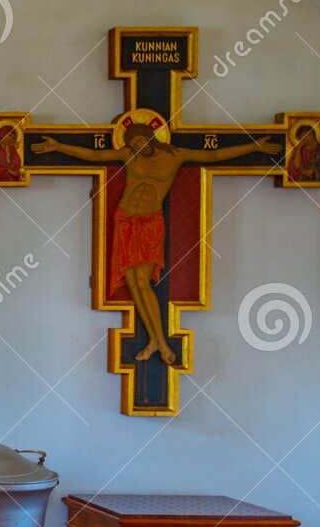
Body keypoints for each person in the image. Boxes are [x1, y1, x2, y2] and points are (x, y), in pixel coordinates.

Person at [33, 124, 280, 364]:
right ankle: (157, 342)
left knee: (142, 282)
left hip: (150, 223)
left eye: (140, 142)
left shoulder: (175, 155)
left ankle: (158, 341)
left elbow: (213, 154)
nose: (137, 148)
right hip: (124, 220)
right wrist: (59, 146)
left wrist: (254, 147)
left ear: (151, 138)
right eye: (133, 144)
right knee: (132, 282)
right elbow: (95, 155)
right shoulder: (128, 154)